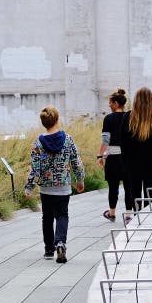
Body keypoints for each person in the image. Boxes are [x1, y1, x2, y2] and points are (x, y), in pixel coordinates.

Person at [25, 106, 85, 264]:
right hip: (63, 187)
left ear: (44, 122)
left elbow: (34, 167)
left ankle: (48, 250)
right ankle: (60, 243)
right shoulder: (67, 139)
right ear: (57, 120)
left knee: (47, 217)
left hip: (46, 188)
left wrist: (29, 186)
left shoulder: (38, 143)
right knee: (62, 215)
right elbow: (76, 162)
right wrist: (80, 179)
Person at [120, 87, 152, 218]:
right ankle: (148, 217)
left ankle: (137, 216)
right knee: (149, 189)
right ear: (150, 98)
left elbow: (122, 142)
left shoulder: (127, 117)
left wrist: (124, 161)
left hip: (132, 161)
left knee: (135, 190)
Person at [99, 89, 130, 222]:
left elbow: (106, 140)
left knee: (113, 187)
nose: (109, 105)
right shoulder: (131, 116)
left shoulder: (108, 119)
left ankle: (112, 213)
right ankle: (129, 215)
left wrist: (100, 155)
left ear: (116, 103)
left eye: (110, 103)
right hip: (128, 157)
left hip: (112, 157)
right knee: (129, 186)